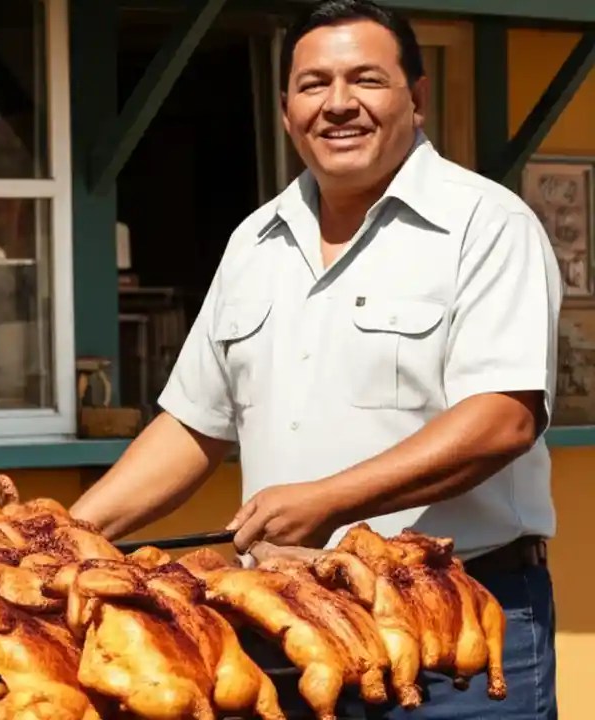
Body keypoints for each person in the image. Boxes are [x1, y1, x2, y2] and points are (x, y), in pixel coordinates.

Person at [69, 0, 560, 717]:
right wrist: (58, 540)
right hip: (290, 627)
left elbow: (502, 419)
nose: (338, 105)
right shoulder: (255, 242)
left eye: (366, 80)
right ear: (284, 109)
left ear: (416, 98)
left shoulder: (486, 226)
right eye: (312, 84)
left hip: (453, 624)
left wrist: (326, 501)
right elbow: (193, 427)